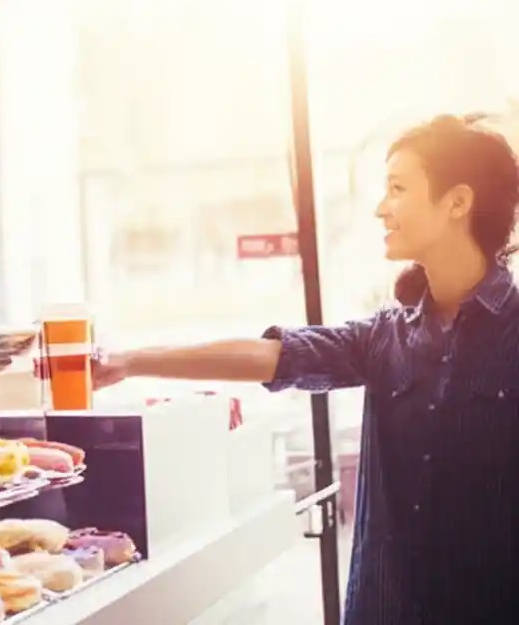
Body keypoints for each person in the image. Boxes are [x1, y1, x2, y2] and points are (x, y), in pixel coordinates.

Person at [92, 114, 518, 624]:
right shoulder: (386, 336)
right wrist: (133, 361)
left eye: (398, 188)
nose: (382, 208)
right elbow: (275, 355)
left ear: (457, 202)